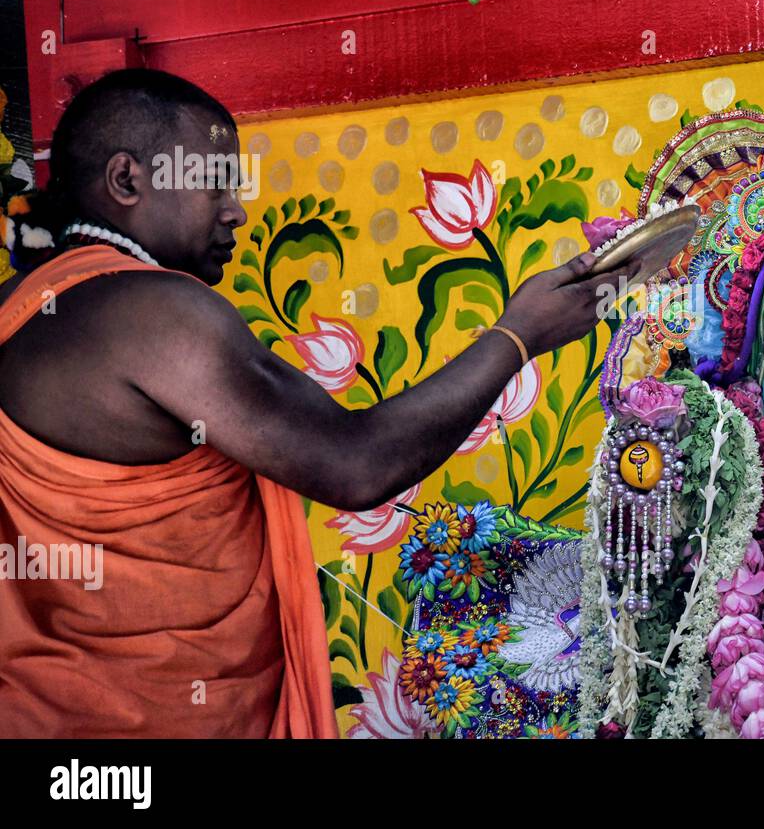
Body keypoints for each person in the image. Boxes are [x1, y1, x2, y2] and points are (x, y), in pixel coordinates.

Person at [0, 69, 636, 737]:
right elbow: (355, 462)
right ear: (127, 180)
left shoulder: (21, 308)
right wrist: (519, 336)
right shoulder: (154, 311)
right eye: (214, 183)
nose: (235, 211)